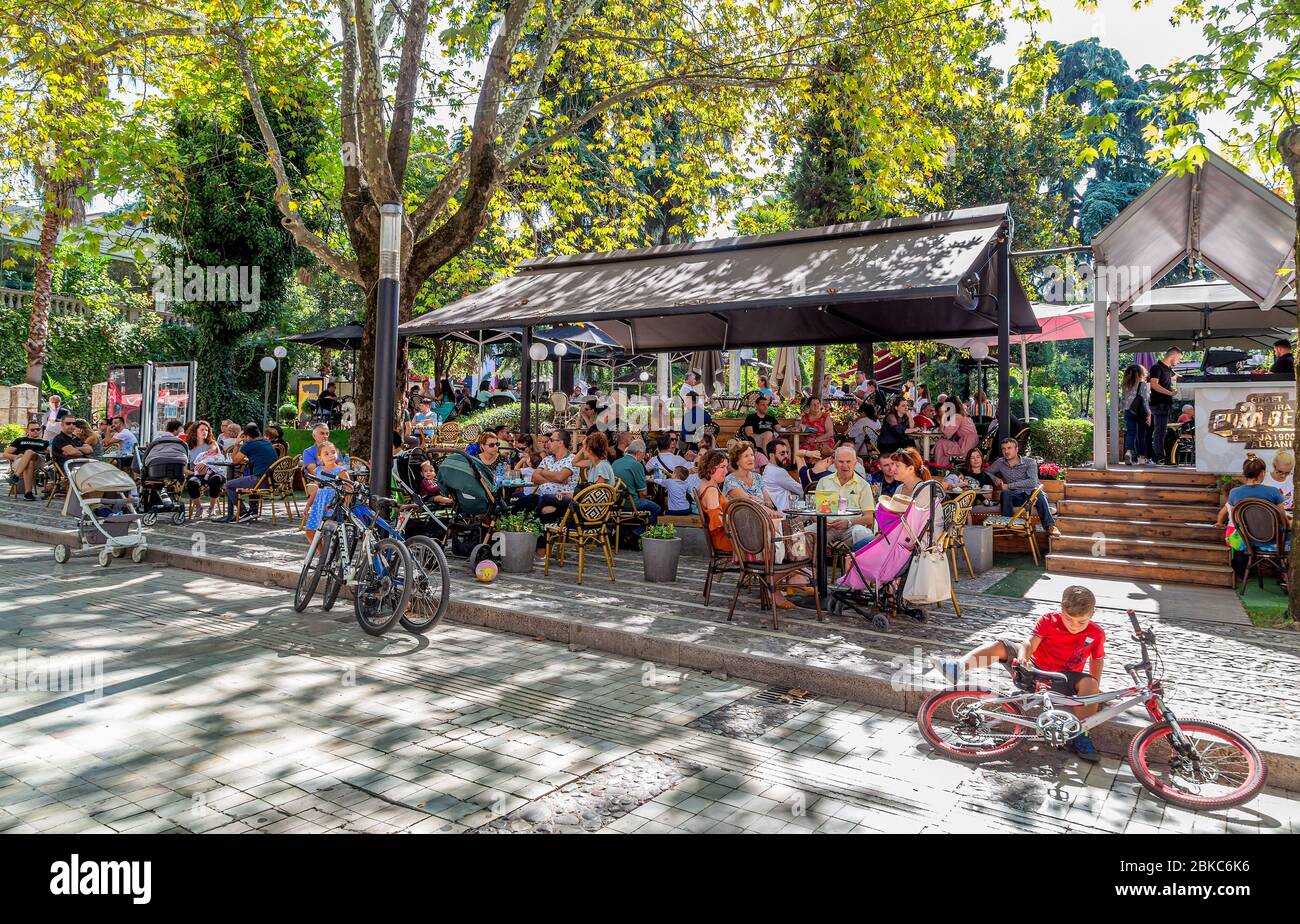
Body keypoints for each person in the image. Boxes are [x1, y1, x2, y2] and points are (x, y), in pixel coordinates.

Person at [931, 585, 1105, 762]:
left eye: (1081, 622)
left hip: (1064, 680)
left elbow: (1097, 659)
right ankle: (958, 666)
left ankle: (1081, 734)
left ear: (1092, 614)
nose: (1074, 625)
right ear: (1061, 609)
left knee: (1090, 684)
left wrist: (1095, 689)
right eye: (1069, 619)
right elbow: (1029, 643)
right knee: (1001, 646)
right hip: (1033, 671)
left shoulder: (1096, 633)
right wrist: (1023, 659)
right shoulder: (1049, 620)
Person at [987, 436, 1060, 537]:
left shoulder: (1029, 462)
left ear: (1016, 449)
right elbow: (987, 472)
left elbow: (1032, 482)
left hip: (1032, 495)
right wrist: (996, 479)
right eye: (1003, 449)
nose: (1006, 451)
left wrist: (1009, 485)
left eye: (1009, 448)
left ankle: (1050, 526)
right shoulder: (1000, 462)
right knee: (1005, 493)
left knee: (1038, 493)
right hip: (1016, 496)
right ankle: (1009, 525)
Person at [815, 445, 876, 547]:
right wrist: (821, 521)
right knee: (803, 535)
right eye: (841, 462)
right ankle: (808, 562)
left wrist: (849, 522)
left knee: (863, 534)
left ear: (855, 463)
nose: (845, 465)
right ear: (834, 463)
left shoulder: (863, 485)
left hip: (851, 528)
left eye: (848, 462)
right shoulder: (824, 482)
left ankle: (859, 563)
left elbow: (869, 518)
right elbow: (815, 512)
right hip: (826, 527)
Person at [515, 430, 577, 524]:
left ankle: (535, 527)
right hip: (541, 495)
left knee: (544, 506)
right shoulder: (548, 459)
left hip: (561, 498)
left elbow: (560, 477)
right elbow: (534, 477)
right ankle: (512, 530)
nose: (548, 443)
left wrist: (543, 472)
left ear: (560, 442)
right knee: (523, 501)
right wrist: (556, 478)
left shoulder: (572, 459)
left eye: (551, 440)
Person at [219, 424, 278, 522]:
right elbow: (260, 457)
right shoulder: (266, 442)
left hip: (261, 481)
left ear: (247, 436)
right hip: (273, 481)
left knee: (228, 485)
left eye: (244, 437)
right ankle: (253, 511)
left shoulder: (249, 444)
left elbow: (234, 461)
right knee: (251, 478)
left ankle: (243, 513)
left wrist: (237, 442)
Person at [1215, 454, 1286, 528]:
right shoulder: (1273, 491)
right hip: (1272, 537)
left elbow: (1236, 519)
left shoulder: (1234, 492)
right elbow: (1282, 518)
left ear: (1244, 473)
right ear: (1262, 473)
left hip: (1245, 537)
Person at [302, 441, 351, 544]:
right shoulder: (318, 470)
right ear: (320, 458)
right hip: (318, 505)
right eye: (326, 453)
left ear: (337, 454)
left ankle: (328, 556)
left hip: (332, 505)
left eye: (333, 452)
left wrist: (345, 505)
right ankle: (322, 557)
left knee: (327, 534)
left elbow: (349, 489)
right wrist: (308, 505)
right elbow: (316, 489)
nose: (331, 455)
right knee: (309, 531)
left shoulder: (341, 471)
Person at [1146, 346, 1181, 464]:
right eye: (1179, 359)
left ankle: (1160, 456)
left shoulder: (1168, 368)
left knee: (1162, 431)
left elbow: (1176, 377)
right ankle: (1159, 457)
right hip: (1158, 404)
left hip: (1165, 404)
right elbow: (1154, 384)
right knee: (1160, 431)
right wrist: (1170, 393)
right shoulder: (1156, 367)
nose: (1179, 361)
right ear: (1173, 356)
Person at [612, 438, 660, 526]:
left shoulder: (615, 462)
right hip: (630, 504)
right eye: (643, 454)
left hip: (616, 503)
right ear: (639, 453)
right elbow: (643, 494)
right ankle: (639, 532)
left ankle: (629, 532)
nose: (643, 457)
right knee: (657, 509)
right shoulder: (637, 464)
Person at [184, 420, 225, 515]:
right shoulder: (188, 447)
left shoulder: (212, 444)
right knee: (192, 482)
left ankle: (212, 507)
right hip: (196, 473)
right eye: (202, 430)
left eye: (206, 430)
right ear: (195, 431)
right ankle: (199, 508)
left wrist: (204, 462)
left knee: (216, 479)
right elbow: (184, 469)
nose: (205, 432)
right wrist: (195, 473)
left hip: (213, 471)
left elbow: (217, 458)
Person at [696, 449, 733, 555]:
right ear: (711, 468)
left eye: (726, 467)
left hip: (723, 537)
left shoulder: (707, 484)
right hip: (724, 540)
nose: (726, 471)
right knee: (763, 539)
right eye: (722, 467)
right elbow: (717, 521)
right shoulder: (711, 490)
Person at [4, 422, 49, 500]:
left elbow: (50, 453)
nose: (35, 431)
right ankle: (28, 493)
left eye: (38, 429)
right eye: (32, 430)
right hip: (21, 461)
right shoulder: (20, 440)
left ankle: (16, 475)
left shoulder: (45, 442)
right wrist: (16, 456)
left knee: (29, 452)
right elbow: (5, 454)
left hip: (38, 460)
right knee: (29, 462)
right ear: (27, 431)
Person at [932, 398, 977, 470]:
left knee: (941, 443)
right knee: (943, 443)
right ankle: (942, 467)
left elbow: (947, 434)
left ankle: (940, 468)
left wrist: (943, 416)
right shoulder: (964, 415)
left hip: (965, 448)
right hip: (970, 445)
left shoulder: (957, 416)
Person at [761, 439, 805, 512]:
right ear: (771, 455)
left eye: (787, 453)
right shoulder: (778, 472)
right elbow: (802, 490)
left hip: (783, 512)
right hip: (786, 515)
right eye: (782, 454)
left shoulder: (768, 468)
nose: (786, 456)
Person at [1120, 363, 1151, 466]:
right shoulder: (1142, 384)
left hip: (1128, 411)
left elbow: (1123, 400)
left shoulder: (1125, 384)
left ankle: (1128, 452)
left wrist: (1123, 409)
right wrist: (1149, 414)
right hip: (1141, 412)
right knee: (1141, 435)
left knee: (1131, 433)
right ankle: (1142, 458)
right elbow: (1145, 400)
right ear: (1141, 373)